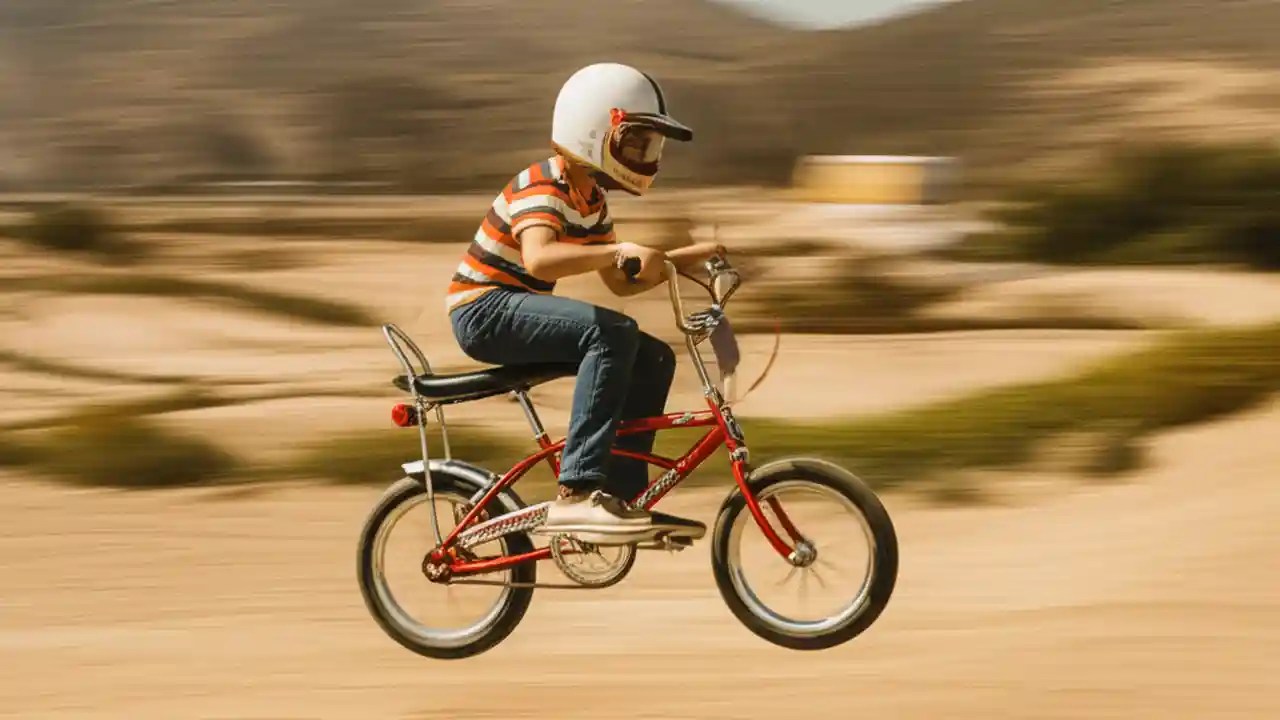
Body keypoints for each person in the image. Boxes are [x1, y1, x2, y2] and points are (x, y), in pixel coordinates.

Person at [445, 63, 722, 544]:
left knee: (651, 355)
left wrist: (679, 262)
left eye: (647, 146)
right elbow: (539, 260)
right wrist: (618, 250)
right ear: (596, 132)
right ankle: (577, 493)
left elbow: (619, 281)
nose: (645, 155)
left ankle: (621, 495)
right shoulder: (542, 184)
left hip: (514, 307)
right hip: (483, 311)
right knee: (611, 333)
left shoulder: (591, 201)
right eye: (636, 142)